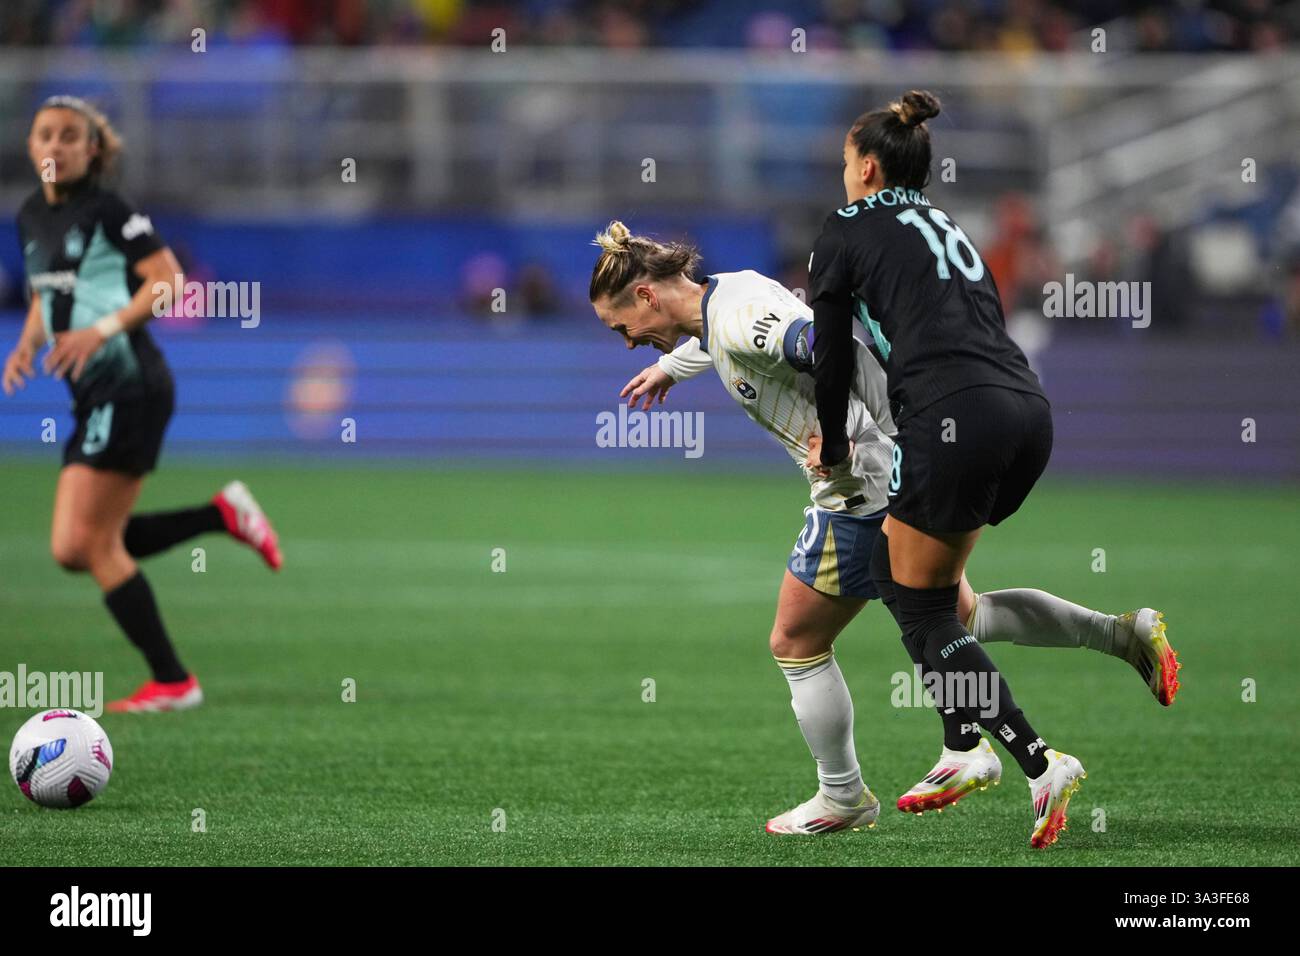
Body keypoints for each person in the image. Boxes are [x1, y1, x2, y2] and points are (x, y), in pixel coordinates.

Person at [589, 220, 1178, 842]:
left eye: (620, 325)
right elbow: (732, 335)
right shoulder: (730, 292)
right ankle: (1119, 637)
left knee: (796, 640)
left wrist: (837, 436)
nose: (628, 343)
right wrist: (673, 369)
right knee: (960, 615)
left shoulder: (737, 316)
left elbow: (821, 343)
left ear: (647, 295)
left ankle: (848, 792)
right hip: (897, 456)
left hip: (860, 481)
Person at [806, 90, 1179, 847]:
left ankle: (1037, 762)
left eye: (847, 161)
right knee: (923, 591)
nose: (842, 173)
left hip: (954, 418)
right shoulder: (950, 226)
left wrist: (835, 447)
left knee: (922, 609)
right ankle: (965, 743)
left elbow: (834, 352)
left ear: (868, 166)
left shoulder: (844, 227)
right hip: (1024, 411)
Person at [2, 96, 283, 713]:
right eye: (44, 135)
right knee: (76, 547)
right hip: (95, 393)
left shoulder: (110, 211)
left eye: (69, 137)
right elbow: (48, 294)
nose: (54, 146)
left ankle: (173, 680)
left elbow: (169, 282)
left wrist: (100, 332)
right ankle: (220, 516)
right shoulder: (28, 216)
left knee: (90, 544)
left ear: (92, 150)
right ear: (30, 146)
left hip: (131, 386)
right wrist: (26, 345)